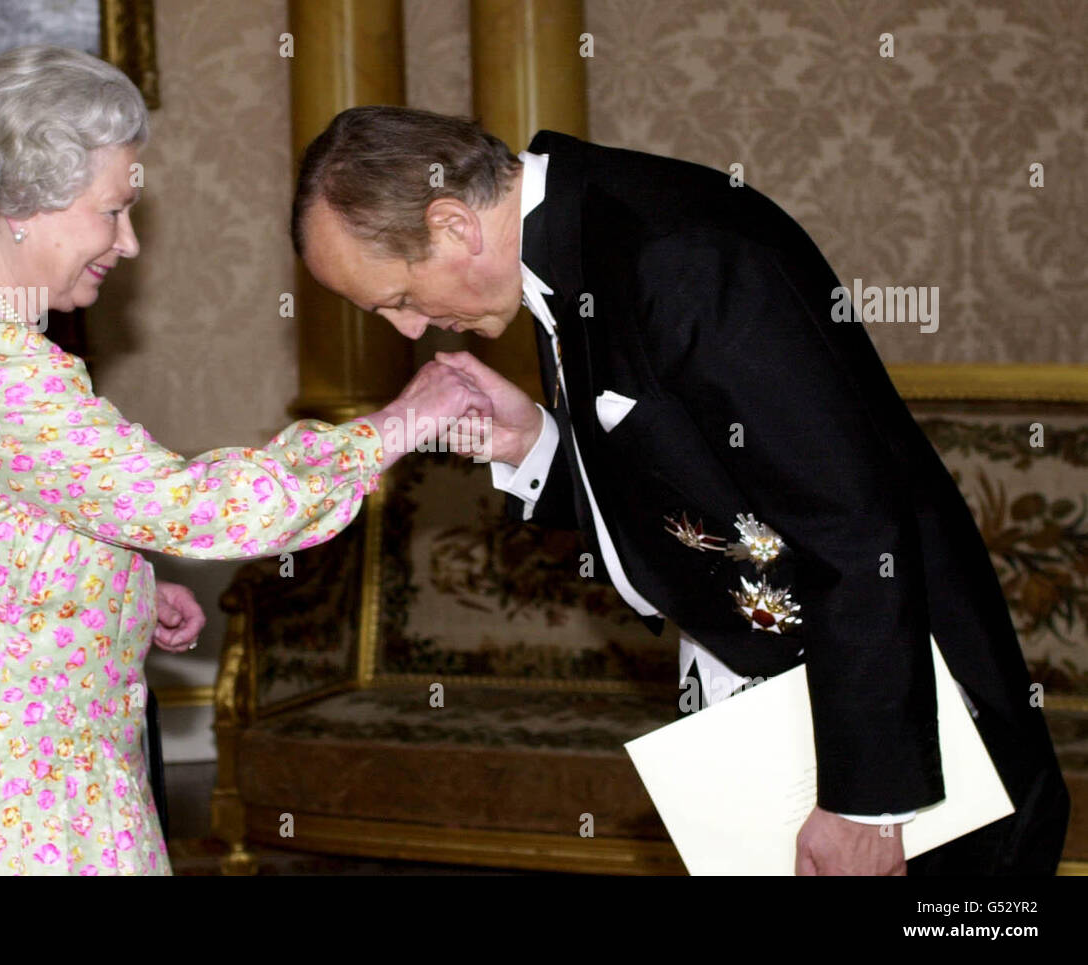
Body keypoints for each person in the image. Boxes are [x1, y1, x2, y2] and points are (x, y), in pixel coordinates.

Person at [291, 105, 1070, 876]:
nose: (405, 329)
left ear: (455, 225)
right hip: (772, 719)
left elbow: (853, 526)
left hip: (908, 750)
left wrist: (866, 805)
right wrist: (531, 440)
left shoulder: (676, 254)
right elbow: (690, 485)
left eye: (395, 298)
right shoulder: (574, 243)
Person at [0, 51, 487, 876]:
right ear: (30, 202)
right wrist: (395, 426)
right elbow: (198, 506)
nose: (130, 242)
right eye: (114, 210)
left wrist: (121, 587)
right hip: (11, 791)